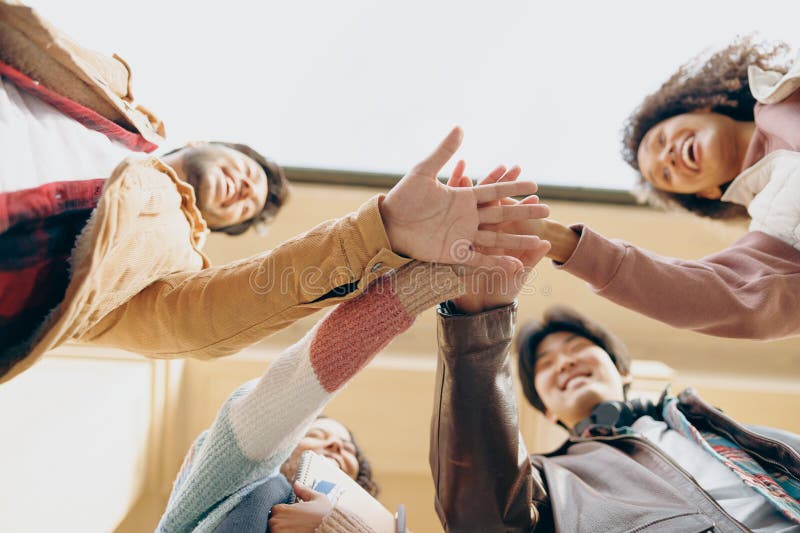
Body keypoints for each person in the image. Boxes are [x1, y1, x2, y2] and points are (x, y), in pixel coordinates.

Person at [0, 1, 548, 383]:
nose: (244, 189)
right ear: (202, 141)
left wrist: (384, 231)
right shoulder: (113, 96)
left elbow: (206, 318)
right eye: (248, 172)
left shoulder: (158, 263)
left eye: (245, 205)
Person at [429, 284, 800, 531]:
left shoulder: (714, 428)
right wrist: (474, 324)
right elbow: (480, 516)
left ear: (622, 371)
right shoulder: (549, 481)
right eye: (546, 363)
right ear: (548, 412)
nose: (565, 362)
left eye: (576, 347)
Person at [517, 37, 800, 340]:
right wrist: (565, 244)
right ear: (707, 192)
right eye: (665, 174)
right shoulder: (775, 236)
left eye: (661, 140)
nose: (669, 156)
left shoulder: (786, 85)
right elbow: (713, 297)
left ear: (701, 108)